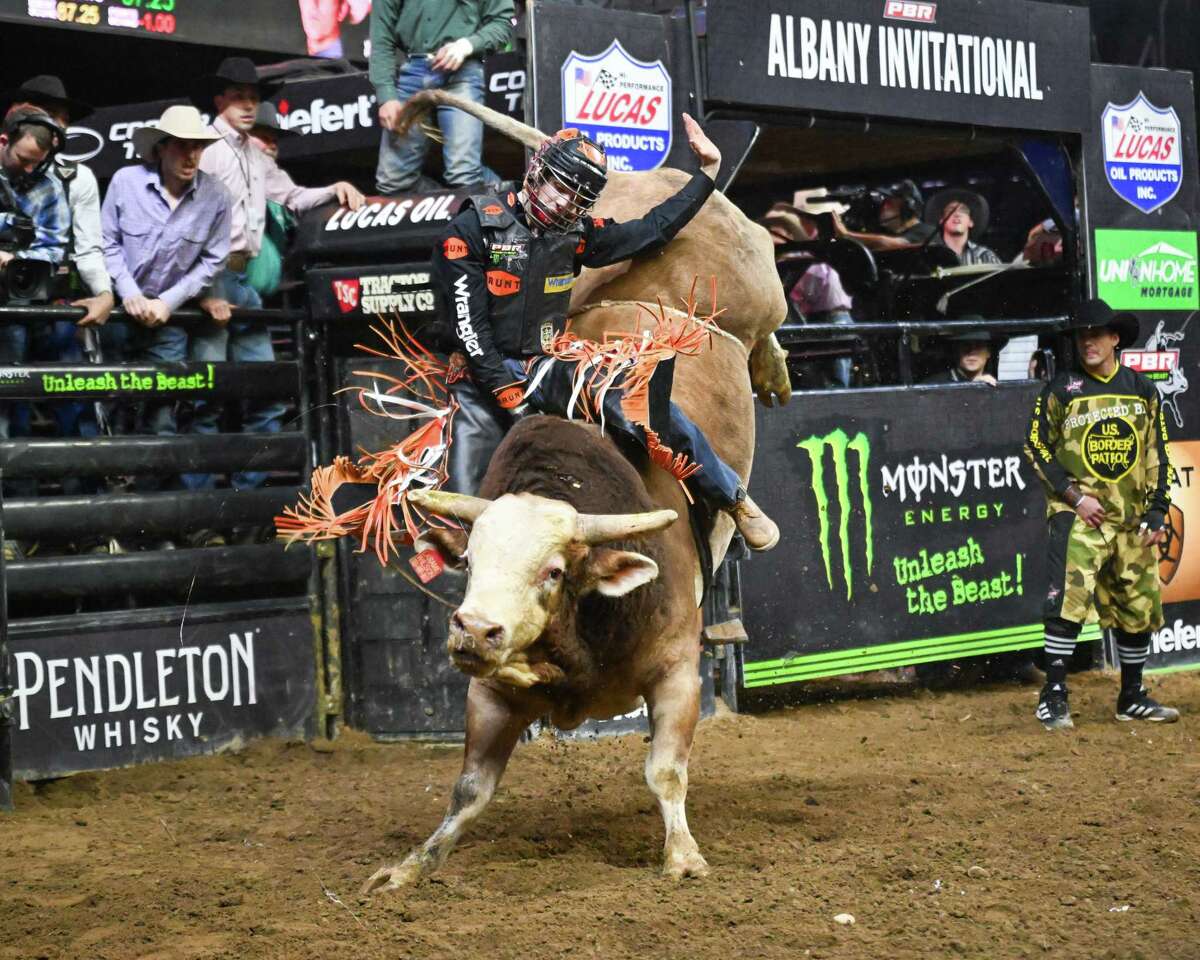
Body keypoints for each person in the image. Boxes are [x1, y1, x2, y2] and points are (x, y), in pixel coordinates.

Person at [430, 117, 779, 551]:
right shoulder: (470, 230)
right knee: (458, 498)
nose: (562, 204)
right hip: (481, 376)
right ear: (537, 170)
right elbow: (469, 326)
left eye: (577, 200)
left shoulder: (576, 235)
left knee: (649, 408)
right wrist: (502, 389)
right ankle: (450, 549)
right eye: (559, 187)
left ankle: (735, 500)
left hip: (547, 363)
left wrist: (707, 175)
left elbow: (651, 230)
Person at [194, 57, 365, 491]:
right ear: (220, 101)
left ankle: (239, 500)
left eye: (253, 98)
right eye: (238, 97)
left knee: (267, 393)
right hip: (210, 277)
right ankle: (196, 506)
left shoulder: (254, 153)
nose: (248, 105)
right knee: (205, 396)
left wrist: (333, 188)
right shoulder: (206, 148)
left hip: (243, 279)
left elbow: (289, 195)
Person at [1024, 298, 1179, 730]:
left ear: (1115, 339)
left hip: (1131, 518)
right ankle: (1053, 695)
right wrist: (1074, 497)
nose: (1088, 341)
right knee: (1067, 600)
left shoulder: (1142, 388)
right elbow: (1035, 447)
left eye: (1096, 334)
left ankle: (1132, 696)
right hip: (1080, 515)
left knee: (1138, 602)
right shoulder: (1061, 389)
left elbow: (1158, 453)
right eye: (1081, 335)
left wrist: (1157, 509)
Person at [101, 105, 231, 487]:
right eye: (182, 146)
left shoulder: (216, 195)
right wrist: (128, 294)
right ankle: (108, 512)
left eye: (198, 147)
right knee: (108, 405)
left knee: (161, 414)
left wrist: (167, 302)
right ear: (161, 148)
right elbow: (107, 242)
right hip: (118, 313)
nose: (191, 155)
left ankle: (154, 515)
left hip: (168, 318)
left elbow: (213, 260)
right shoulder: (126, 182)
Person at [370, 0, 514, 195]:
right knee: (394, 183)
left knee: (463, 174)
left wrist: (466, 46)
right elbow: (381, 38)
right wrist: (386, 95)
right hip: (413, 70)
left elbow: (502, 24)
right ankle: (450, 212)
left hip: (463, 69)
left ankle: (515, 205)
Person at [0, 107, 68, 454]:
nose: (29, 169)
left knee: (11, 401)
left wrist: (16, 260)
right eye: (23, 159)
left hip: (14, 307)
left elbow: (55, 248)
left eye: (36, 162)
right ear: (3, 142)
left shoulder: (50, 188)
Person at [761, 203, 856, 388]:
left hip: (831, 319)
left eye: (775, 232)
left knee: (834, 376)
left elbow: (794, 300)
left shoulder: (795, 260)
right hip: (824, 318)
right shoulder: (800, 257)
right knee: (829, 372)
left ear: (788, 234)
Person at [832, 179, 935, 252]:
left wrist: (846, 235)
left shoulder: (927, 232)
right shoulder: (887, 233)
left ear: (908, 206)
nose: (883, 207)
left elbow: (888, 243)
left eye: (889, 203)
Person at [924, 187, 1001, 266]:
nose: (957, 214)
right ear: (941, 221)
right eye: (950, 210)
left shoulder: (985, 256)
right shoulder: (929, 256)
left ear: (970, 222)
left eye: (963, 211)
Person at [922, 326, 1003, 386]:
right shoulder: (933, 384)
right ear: (956, 350)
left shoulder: (994, 384)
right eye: (966, 345)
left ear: (988, 352)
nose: (972, 351)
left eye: (979, 345)